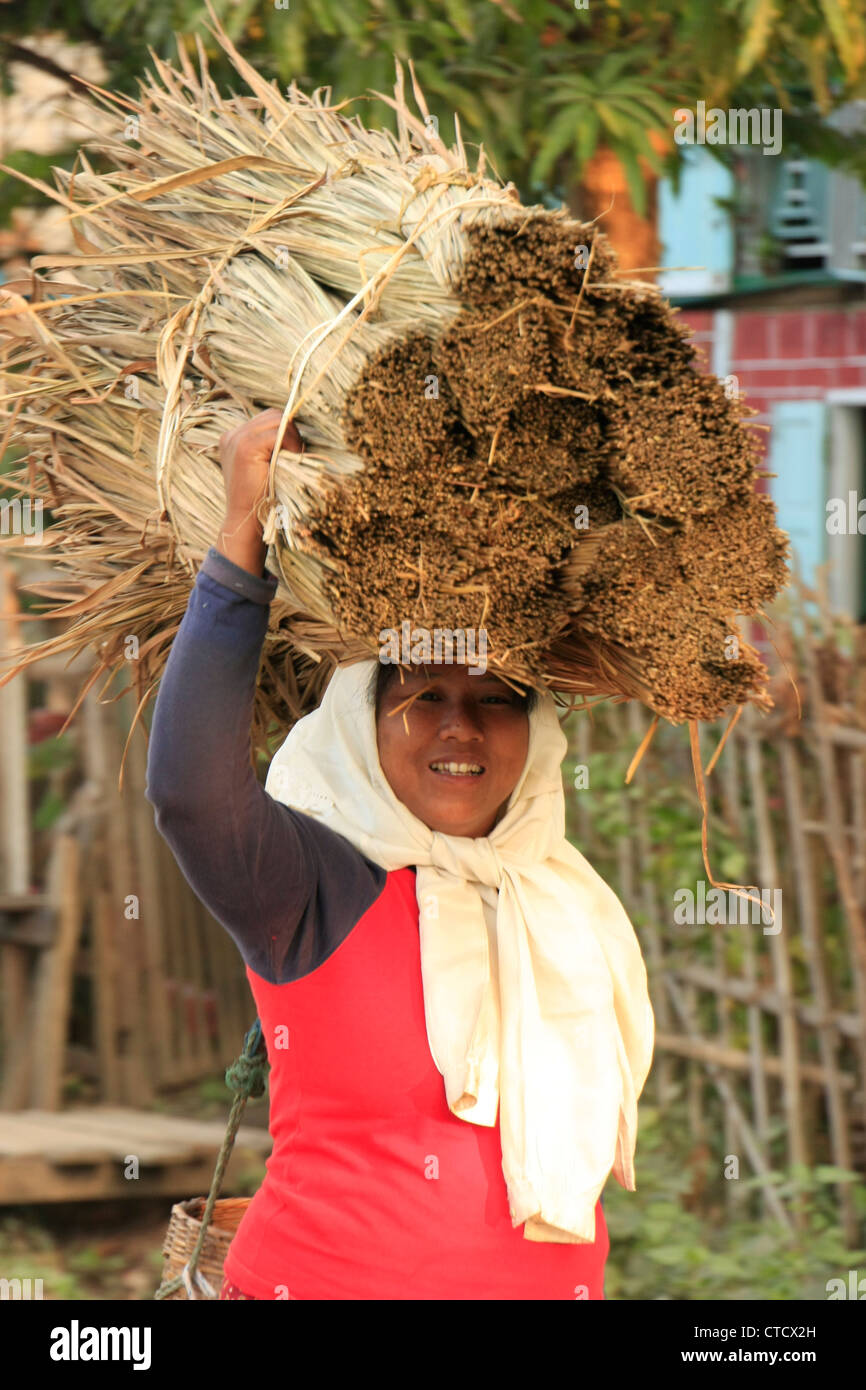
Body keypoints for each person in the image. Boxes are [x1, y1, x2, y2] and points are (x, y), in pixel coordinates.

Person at [145, 409, 655, 1300]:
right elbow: (191, 792)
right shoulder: (315, 886)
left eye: (494, 700)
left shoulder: (559, 903)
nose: (460, 727)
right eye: (423, 696)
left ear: (531, 731)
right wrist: (244, 533)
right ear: (362, 719)